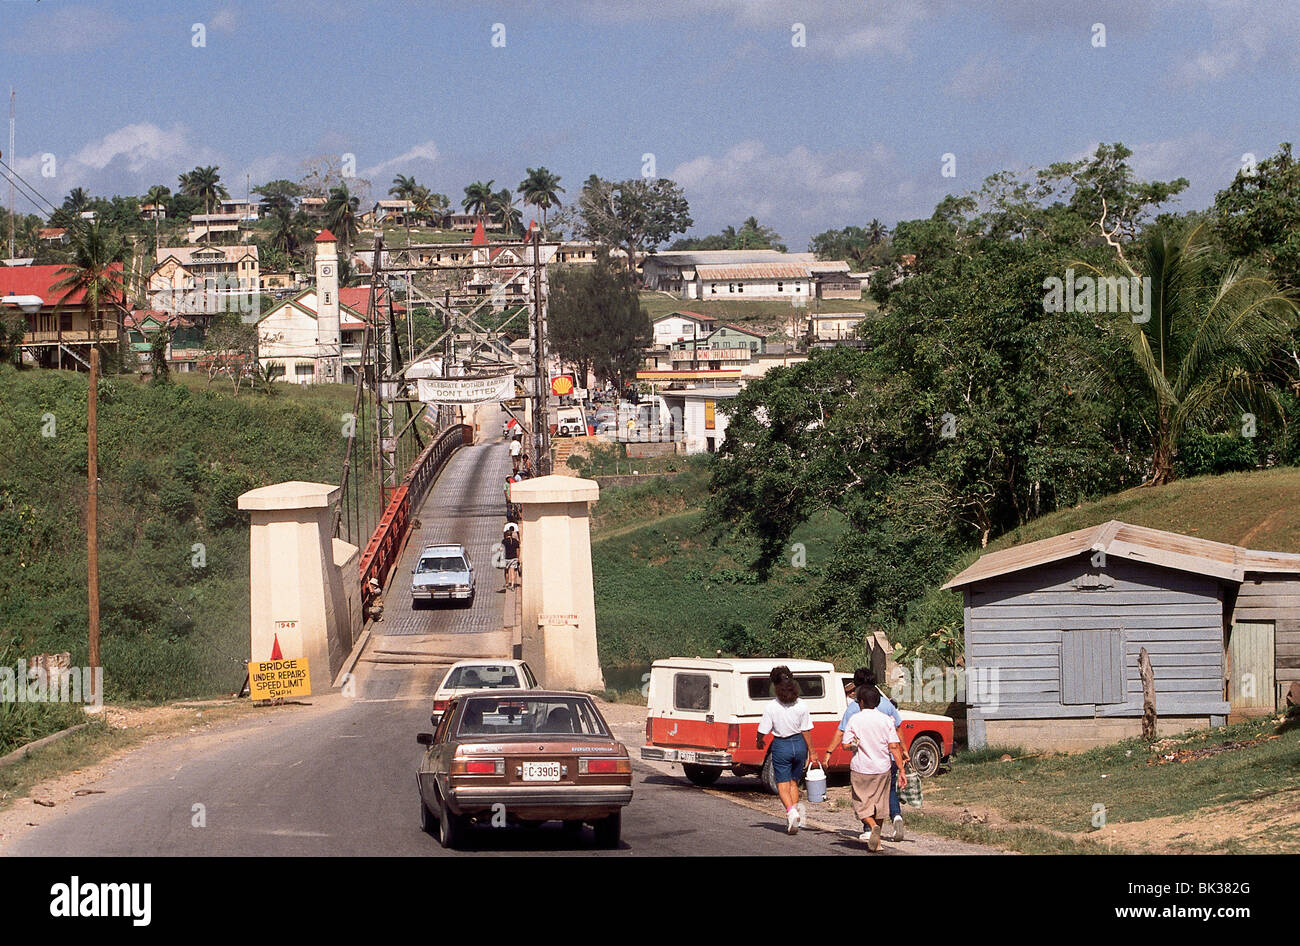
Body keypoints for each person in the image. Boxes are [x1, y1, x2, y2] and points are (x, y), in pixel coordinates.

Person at [825, 668, 909, 842]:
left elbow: (842, 734)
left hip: (864, 764)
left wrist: (828, 753)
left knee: (865, 796)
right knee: (887, 793)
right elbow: (898, 729)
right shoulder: (886, 704)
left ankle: (869, 828)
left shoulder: (855, 709)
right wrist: (904, 752)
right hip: (888, 759)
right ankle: (897, 817)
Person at [842, 684, 908, 851]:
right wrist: (901, 770)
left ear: (861, 702)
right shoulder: (887, 720)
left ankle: (872, 827)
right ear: (878, 702)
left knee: (861, 804)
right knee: (880, 805)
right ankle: (877, 843)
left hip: (861, 768)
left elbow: (845, 745)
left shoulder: (855, 719)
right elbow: (894, 746)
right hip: (883, 768)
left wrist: (854, 744)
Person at [756, 666, 821, 835]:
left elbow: (763, 731)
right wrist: (812, 752)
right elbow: (806, 730)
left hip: (781, 745)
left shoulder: (771, 706)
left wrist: (759, 740)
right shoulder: (802, 705)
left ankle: (791, 812)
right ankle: (793, 814)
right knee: (793, 782)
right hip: (799, 744)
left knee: (782, 784)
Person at [502, 524, 520, 591]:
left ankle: (507, 583)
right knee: (512, 572)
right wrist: (517, 557)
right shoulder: (515, 541)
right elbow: (518, 550)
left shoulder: (504, 541)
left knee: (506, 571)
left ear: (506, 535)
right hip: (513, 558)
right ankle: (512, 585)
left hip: (506, 558)